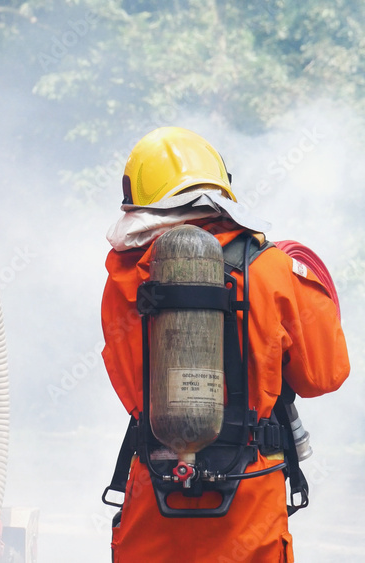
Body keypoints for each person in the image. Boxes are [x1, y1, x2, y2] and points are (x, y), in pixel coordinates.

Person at [100, 126, 349, 562]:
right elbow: (323, 376)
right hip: (248, 503)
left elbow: (127, 376)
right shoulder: (272, 269)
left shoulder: (123, 278)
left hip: (155, 498)